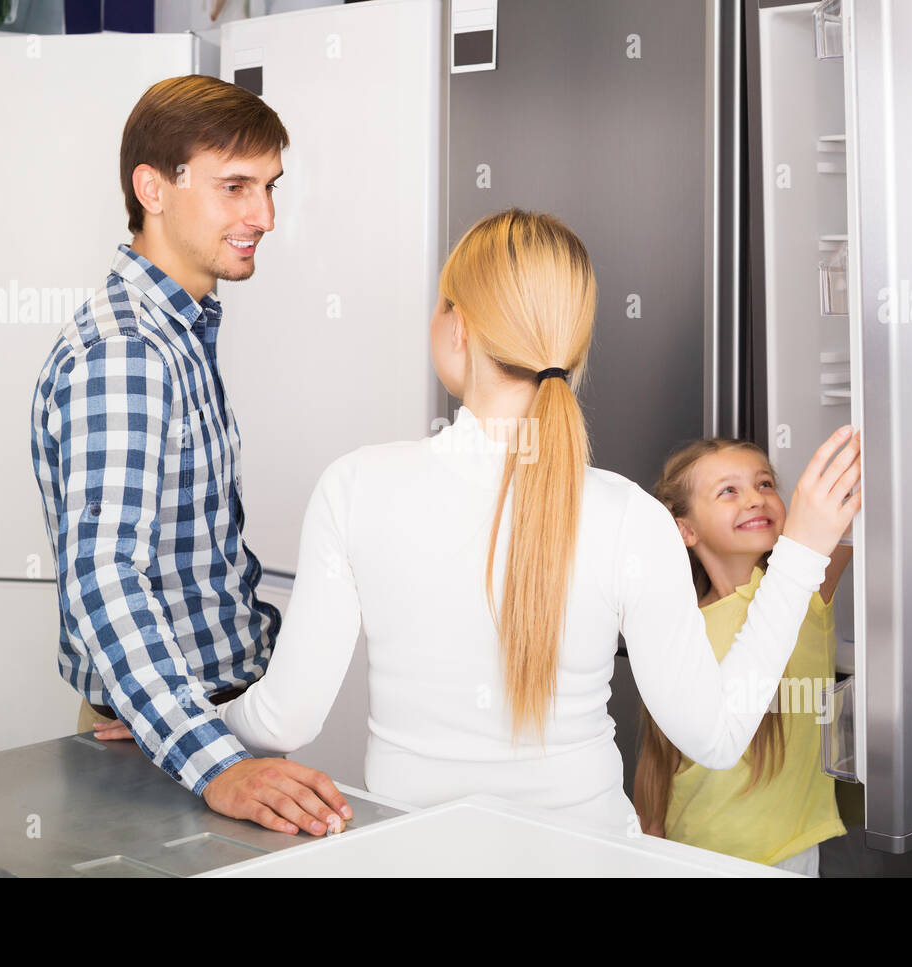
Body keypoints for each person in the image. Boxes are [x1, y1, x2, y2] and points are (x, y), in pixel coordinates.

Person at [185, 208, 861, 837]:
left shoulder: (356, 485)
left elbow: (284, 717)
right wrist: (800, 550)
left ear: (459, 327)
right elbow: (714, 735)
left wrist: (185, 725)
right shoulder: (632, 516)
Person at [30, 74, 350, 837]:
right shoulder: (128, 352)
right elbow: (105, 578)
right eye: (235, 186)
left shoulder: (178, 330)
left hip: (181, 723)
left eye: (270, 187)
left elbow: (199, 558)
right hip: (180, 744)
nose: (265, 216)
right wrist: (215, 759)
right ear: (153, 188)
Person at [633, 438, 854, 875]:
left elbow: (856, 508)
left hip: (783, 852)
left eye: (766, 483)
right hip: (693, 851)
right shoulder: (682, 625)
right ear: (685, 530)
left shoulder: (808, 589)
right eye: (729, 491)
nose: (756, 499)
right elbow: (659, 756)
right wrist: (648, 835)